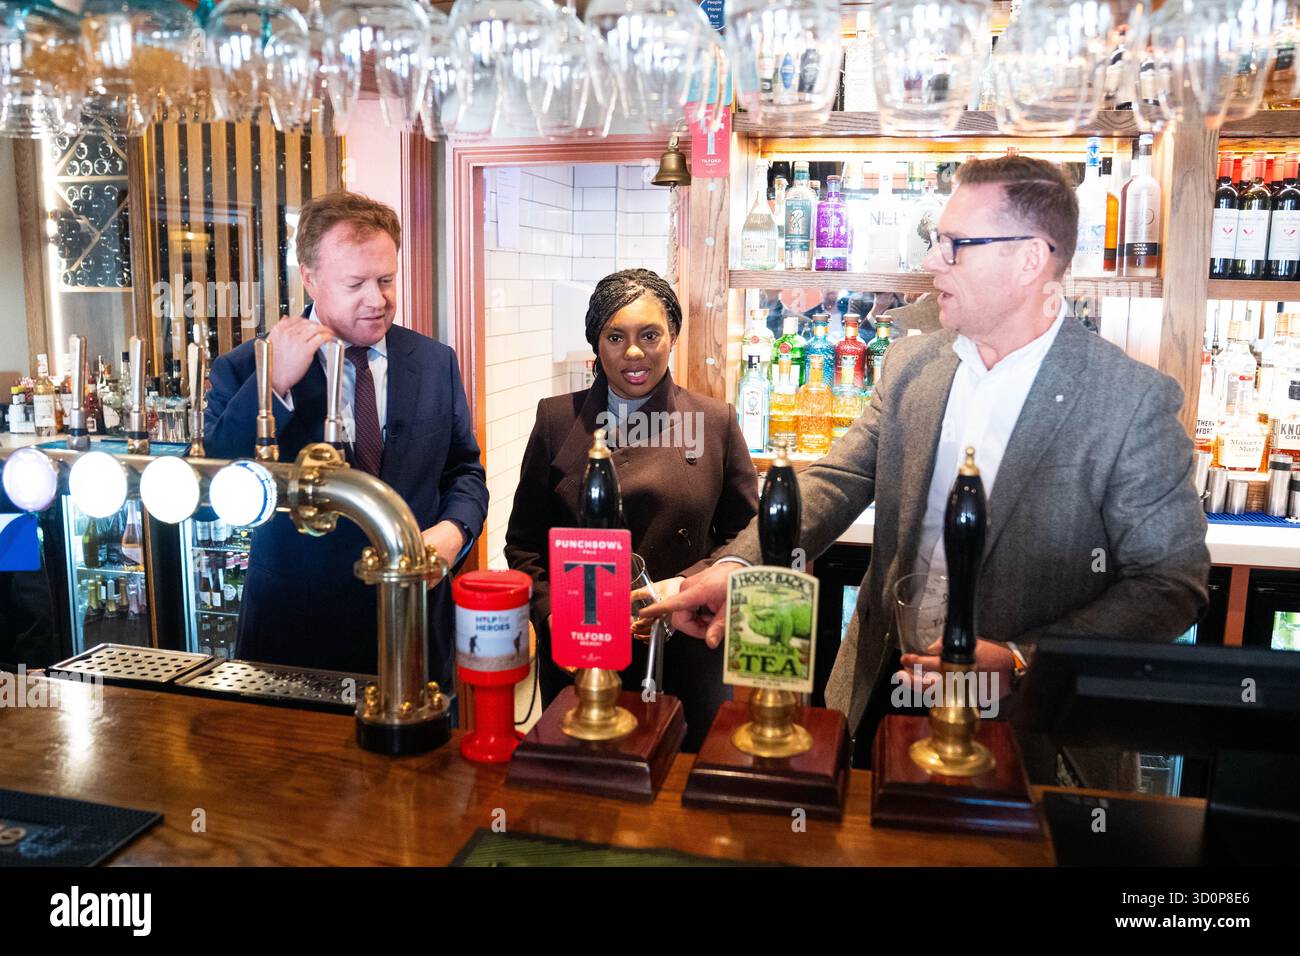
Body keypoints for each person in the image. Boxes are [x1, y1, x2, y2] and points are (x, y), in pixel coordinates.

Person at [644, 156, 1210, 775]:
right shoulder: (915, 365)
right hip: (885, 690)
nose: (931, 260)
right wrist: (739, 563)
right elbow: (840, 479)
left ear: (1029, 260)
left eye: (955, 245)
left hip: (1030, 726)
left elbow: (1169, 584)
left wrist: (1025, 659)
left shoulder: (1129, 400)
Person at [205, 191, 488, 688]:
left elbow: (464, 471)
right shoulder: (247, 368)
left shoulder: (435, 361)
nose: (377, 300)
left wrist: (455, 533)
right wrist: (272, 386)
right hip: (298, 634)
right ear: (310, 278)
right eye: (355, 283)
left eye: (386, 279)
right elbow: (215, 487)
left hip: (415, 628)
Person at [505, 269, 759, 750]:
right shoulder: (557, 418)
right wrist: (552, 614)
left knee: (683, 793)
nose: (634, 352)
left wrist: (691, 585)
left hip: (687, 642)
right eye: (615, 337)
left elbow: (746, 537)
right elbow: (524, 542)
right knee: (584, 788)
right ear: (595, 343)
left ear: (673, 337)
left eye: (650, 335)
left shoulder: (713, 421)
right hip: (583, 649)